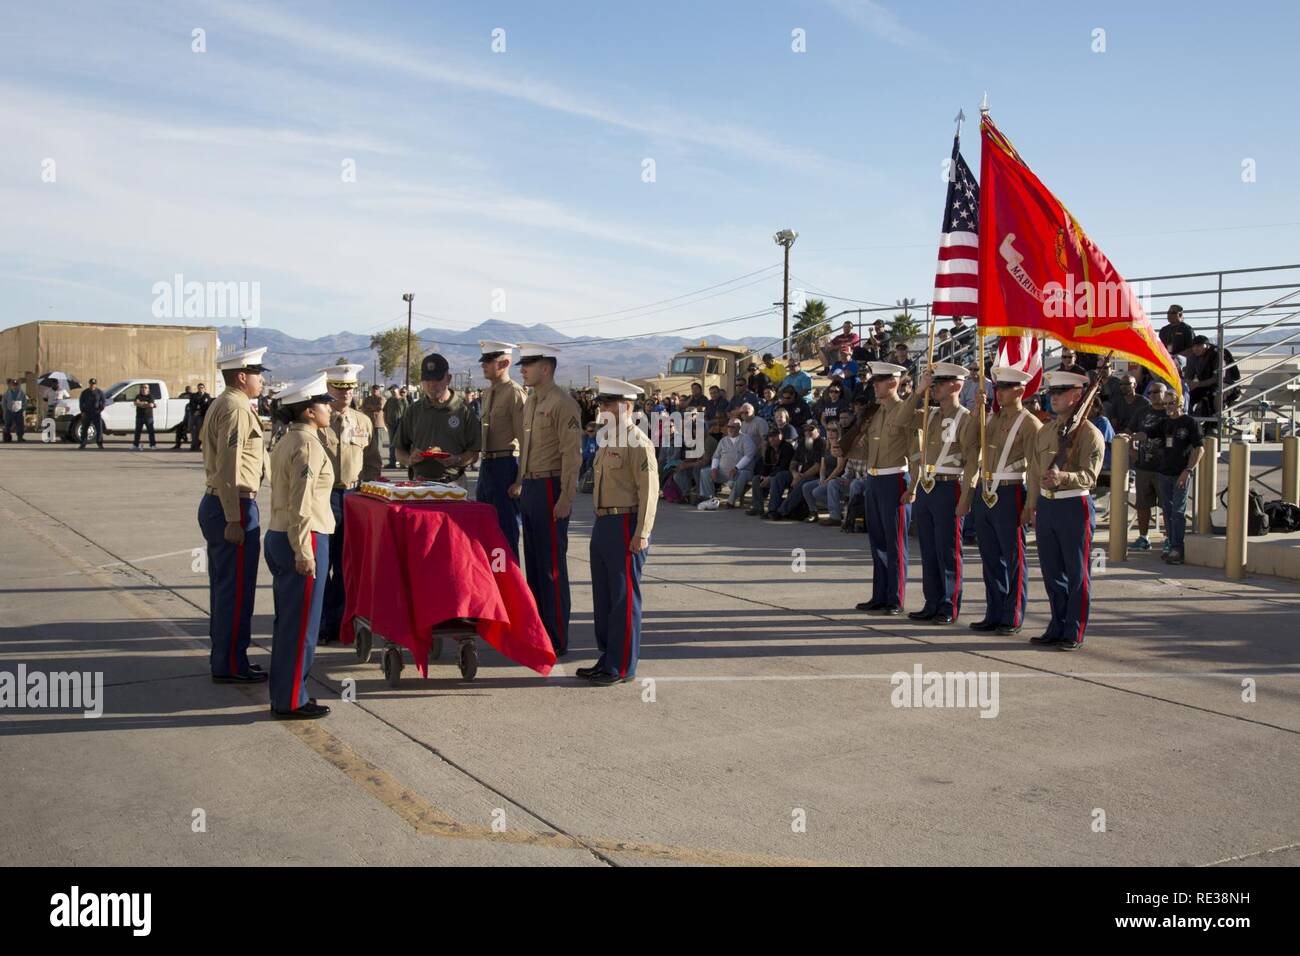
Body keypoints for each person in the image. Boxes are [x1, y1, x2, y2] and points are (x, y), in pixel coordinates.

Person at [576, 377, 659, 685]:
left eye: (608, 404)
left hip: (626, 522)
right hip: (603, 522)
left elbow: (649, 490)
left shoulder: (638, 441)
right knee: (605, 597)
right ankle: (607, 657)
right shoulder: (607, 438)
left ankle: (621, 665)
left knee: (623, 598)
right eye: (601, 405)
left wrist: (642, 532)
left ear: (626, 406)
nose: (602, 410)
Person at [198, 346, 271, 684]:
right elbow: (229, 466)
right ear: (242, 376)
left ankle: (229, 658)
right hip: (234, 504)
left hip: (226, 502)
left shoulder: (225, 402)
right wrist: (233, 517)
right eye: (258, 373)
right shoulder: (237, 409)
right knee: (235, 591)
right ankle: (230, 663)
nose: (261, 379)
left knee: (228, 588)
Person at [265, 374, 334, 719]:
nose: (328, 409)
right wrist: (304, 552)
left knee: (288, 622)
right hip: (302, 537)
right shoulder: (307, 445)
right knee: (302, 626)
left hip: (280, 534)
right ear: (309, 411)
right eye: (324, 403)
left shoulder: (286, 440)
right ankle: (291, 699)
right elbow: (302, 504)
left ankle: (284, 693)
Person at [1022, 371, 1105, 650]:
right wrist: (1031, 504)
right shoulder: (1046, 430)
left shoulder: (1090, 433)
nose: (1053, 396)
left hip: (1073, 504)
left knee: (1076, 571)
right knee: (1051, 570)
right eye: (1052, 391)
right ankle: (1057, 624)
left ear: (1077, 395)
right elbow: (1034, 471)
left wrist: (1064, 478)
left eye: (1061, 391)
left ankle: (1074, 629)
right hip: (1047, 505)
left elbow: (1090, 477)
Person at [509, 343, 582, 657]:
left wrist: (567, 496)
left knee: (552, 567)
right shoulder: (531, 401)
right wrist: (521, 482)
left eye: (528, 364)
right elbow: (526, 448)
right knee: (535, 565)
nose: (522, 369)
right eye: (522, 364)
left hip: (552, 486)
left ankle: (557, 637)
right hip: (532, 488)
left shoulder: (563, 403)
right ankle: (538, 631)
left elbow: (571, 455)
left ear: (546, 368)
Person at [904, 363, 979, 624]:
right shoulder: (930, 414)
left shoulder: (967, 418)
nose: (934, 387)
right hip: (927, 485)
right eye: (934, 383)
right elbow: (900, 419)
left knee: (947, 549)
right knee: (928, 548)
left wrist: (966, 497)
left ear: (957, 386)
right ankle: (932, 600)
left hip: (949, 486)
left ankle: (948, 604)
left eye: (940, 383)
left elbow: (972, 461)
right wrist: (918, 391)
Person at [969, 366, 1041, 636]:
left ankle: (1012, 614)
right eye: (997, 388)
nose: (998, 392)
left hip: (1011, 490)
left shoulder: (1030, 423)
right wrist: (977, 411)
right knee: (989, 557)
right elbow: (970, 443)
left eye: (1005, 388)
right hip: (987, 490)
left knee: (1014, 558)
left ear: (1020, 391)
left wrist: (1030, 504)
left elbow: (1035, 466)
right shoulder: (994, 419)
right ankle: (994, 611)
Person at [314, 364, 382, 645]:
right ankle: (323, 621)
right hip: (324, 496)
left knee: (347, 565)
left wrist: (371, 493)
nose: (345, 393)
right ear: (328, 389)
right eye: (339, 388)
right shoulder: (318, 419)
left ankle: (342, 620)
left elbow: (373, 461)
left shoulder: (362, 421)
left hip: (354, 496)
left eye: (350, 388)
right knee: (322, 563)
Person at [853, 362, 918, 614]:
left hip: (895, 480)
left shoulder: (905, 411)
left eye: (879, 381)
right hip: (874, 479)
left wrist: (913, 486)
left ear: (893, 382)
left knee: (895, 543)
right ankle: (879, 595)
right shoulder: (876, 413)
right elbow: (867, 449)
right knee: (877, 542)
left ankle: (895, 598)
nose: (874, 386)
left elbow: (915, 453)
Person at [1136, 391, 1204, 565]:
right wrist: (1131, 437)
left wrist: (1188, 470)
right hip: (1164, 473)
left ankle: (1177, 549)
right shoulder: (1164, 423)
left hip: (1181, 473)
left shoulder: (1190, 423)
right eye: (1165, 404)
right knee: (1167, 511)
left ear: (1180, 403)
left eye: (1170, 403)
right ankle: (1171, 545)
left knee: (1178, 512)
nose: (1167, 407)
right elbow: (1148, 434)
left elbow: (1199, 449)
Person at [396, 353, 481, 485]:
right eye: (427, 380)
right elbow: (399, 450)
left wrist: (457, 460)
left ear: (448, 378)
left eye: (437, 379)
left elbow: (474, 453)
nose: (432, 385)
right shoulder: (414, 410)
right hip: (418, 484)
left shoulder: (463, 410)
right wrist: (409, 460)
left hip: (453, 484)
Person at [476, 341, 527, 559]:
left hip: (506, 465)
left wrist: (520, 480)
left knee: (506, 533)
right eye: (484, 361)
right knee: (483, 530)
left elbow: (526, 442)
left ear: (505, 362)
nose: (483, 365)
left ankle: (509, 586)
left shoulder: (515, 393)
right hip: (487, 465)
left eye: (489, 361)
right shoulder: (488, 394)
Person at [1130, 382, 1171, 553]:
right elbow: (1130, 430)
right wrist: (1131, 449)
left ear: (1165, 393)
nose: (1153, 394)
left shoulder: (1170, 413)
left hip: (1164, 467)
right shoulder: (1142, 412)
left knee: (1166, 505)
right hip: (1144, 465)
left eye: (1157, 392)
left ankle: (1169, 538)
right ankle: (1143, 537)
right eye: (1150, 392)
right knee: (1142, 504)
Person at [700, 418, 757, 507]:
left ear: (739, 428)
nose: (730, 429)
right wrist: (714, 469)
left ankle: (731, 501)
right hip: (723, 472)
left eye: (732, 427)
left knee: (742, 474)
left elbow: (748, 456)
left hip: (741, 472)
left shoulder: (746, 439)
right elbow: (716, 456)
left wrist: (736, 468)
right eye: (728, 426)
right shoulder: (723, 440)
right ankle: (709, 499)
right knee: (704, 472)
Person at [749, 425, 795, 517]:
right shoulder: (769, 449)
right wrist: (763, 475)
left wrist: (769, 477)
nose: (772, 439)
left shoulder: (787, 447)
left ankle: (772, 510)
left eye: (775, 436)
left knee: (775, 479)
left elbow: (784, 466)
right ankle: (758, 508)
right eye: (770, 437)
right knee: (756, 479)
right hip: (774, 474)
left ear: (781, 436)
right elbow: (766, 465)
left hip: (787, 474)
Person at [78, 378, 106, 449]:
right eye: (91, 384)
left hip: (96, 413)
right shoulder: (85, 392)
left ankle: (99, 443)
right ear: (89, 384)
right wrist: (82, 411)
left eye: (94, 384)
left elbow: (103, 401)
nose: (92, 385)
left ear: (95, 384)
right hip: (87, 413)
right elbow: (81, 402)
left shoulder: (99, 392)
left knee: (99, 428)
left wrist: (100, 409)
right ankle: (83, 443)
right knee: (84, 429)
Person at [132, 383, 157, 449]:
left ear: (148, 389)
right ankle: (135, 445)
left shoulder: (150, 396)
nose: (144, 389)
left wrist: (140, 403)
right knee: (137, 432)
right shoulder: (138, 396)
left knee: (151, 432)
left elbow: (151, 405)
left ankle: (152, 445)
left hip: (148, 417)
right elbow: (135, 403)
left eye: (145, 387)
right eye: (142, 387)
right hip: (139, 417)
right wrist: (145, 403)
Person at [189, 383, 212, 451]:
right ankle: (193, 446)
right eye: (199, 388)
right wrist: (195, 411)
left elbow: (207, 406)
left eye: (202, 387)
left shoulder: (207, 396)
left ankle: (198, 446)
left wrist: (200, 411)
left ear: (204, 388)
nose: (200, 389)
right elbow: (191, 405)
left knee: (200, 431)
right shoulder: (194, 396)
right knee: (193, 431)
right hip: (194, 415)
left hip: (202, 416)